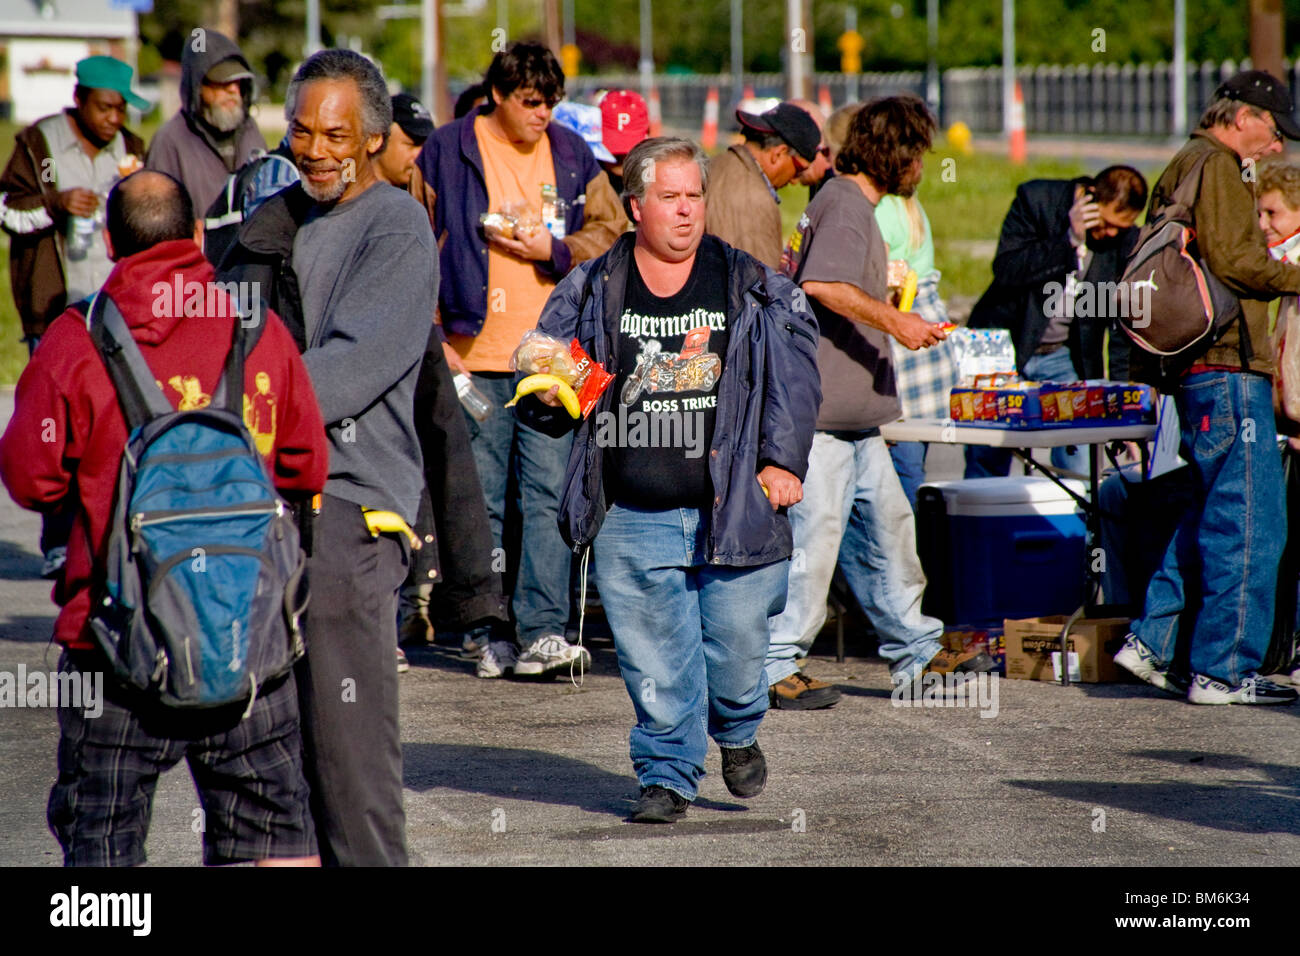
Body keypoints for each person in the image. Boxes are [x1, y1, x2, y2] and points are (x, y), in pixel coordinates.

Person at [0, 170, 328, 866]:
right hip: (248, 636)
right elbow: (305, 466)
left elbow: (29, 479)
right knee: (273, 837)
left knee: (105, 847)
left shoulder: (78, 337)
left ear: (113, 243)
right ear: (193, 235)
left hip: (115, 645)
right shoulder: (256, 326)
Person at [515, 136, 820, 821]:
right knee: (656, 659)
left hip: (736, 503)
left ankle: (738, 728)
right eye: (670, 198)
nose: (686, 212)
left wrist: (782, 460)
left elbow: (795, 374)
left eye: (695, 198)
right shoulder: (596, 282)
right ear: (635, 206)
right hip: (633, 509)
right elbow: (545, 350)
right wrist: (547, 376)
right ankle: (667, 773)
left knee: (739, 648)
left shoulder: (748, 281)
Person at [220, 49, 437, 861]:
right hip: (261, 501)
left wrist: (230, 412)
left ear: (376, 138)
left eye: (335, 134)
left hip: (348, 504)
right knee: (268, 762)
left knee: (350, 756)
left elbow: (346, 368)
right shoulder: (270, 221)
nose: (313, 148)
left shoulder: (396, 225)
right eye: (302, 130)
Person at [415, 41, 627, 678]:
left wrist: (552, 248)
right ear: (497, 96)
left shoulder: (570, 151)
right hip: (472, 354)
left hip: (553, 361)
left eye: (552, 103)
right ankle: (485, 631)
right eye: (531, 103)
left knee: (545, 496)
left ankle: (542, 631)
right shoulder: (446, 150)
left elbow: (612, 234)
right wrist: (435, 341)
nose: (543, 115)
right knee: (478, 501)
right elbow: (412, 245)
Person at [766, 95, 961, 710]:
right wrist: (895, 322)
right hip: (824, 420)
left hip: (857, 419)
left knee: (890, 532)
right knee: (813, 545)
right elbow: (822, 284)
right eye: (917, 154)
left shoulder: (844, 200)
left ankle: (917, 653)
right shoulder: (848, 205)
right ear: (892, 154)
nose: (922, 168)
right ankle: (774, 664)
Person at [1114, 70, 1300, 705]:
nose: (1275, 148)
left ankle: (1155, 644)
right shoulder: (1217, 164)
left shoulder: (1183, 162)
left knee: (1210, 510)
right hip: (1228, 365)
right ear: (1242, 116)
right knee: (1253, 523)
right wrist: (1294, 274)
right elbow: (1238, 263)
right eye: (1273, 133)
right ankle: (1225, 672)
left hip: (1195, 369)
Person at [0, 54, 147, 580]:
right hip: (57, 312)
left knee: (112, 423)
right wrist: (56, 203)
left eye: (121, 110)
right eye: (106, 108)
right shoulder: (38, 145)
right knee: (56, 431)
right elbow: (8, 211)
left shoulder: (131, 149)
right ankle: (59, 539)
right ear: (80, 99)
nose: (114, 120)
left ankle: (110, 531)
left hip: (118, 313)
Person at [375, 92, 509, 666]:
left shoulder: (418, 191)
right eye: (409, 141)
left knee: (443, 489)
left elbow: (429, 275)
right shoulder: (366, 202)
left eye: (425, 142)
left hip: (428, 358)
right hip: (382, 368)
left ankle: (448, 614)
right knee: (386, 490)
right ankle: (390, 618)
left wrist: (436, 343)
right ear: (377, 138)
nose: (419, 154)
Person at [965, 164, 1147, 477]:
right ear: (1089, 200)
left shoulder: (1124, 241)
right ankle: (982, 522)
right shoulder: (1035, 199)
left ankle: (1074, 521)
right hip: (1004, 340)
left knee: (1079, 450)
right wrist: (1068, 241)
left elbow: (1121, 326)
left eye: (1121, 227)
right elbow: (1007, 269)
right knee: (987, 449)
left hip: (1062, 353)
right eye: (1105, 223)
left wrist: (1123, 405)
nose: (1111, 233)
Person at [878, 191, 961, 508]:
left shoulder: (883, 208)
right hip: (929, 332)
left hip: (904, 334)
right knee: (912, 461)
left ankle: (917, 546)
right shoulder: (910, 204)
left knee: (902, 466)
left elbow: (877, 279)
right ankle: (925, 542)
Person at [146, 30, 266, 219]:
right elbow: (155, 218)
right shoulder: (170, 141)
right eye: (222, 82)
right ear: (197, 86)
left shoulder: (250, 130)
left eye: (238, 82)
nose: (233, 90)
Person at [705, 102, 821, 269]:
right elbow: (760, 286)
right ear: (778, 153)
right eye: (798, 169)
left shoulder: (712, 165)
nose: (795, 181)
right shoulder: (756, 201)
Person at [599, 89, 650, 195]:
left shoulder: (654, 175)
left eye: (630, 151)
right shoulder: (588, 175)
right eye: (615, 154)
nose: (623, 156)